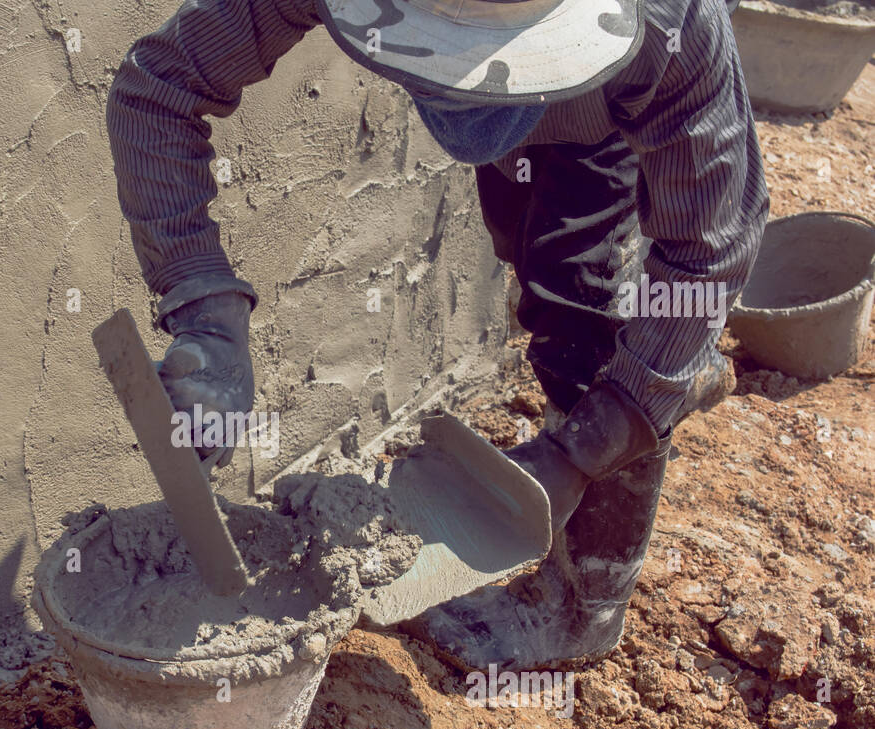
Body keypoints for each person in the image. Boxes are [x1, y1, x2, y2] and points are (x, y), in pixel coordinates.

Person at [105, 0, 769, 668]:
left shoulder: (669, 24)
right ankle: (672, 366)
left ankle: (582, 607)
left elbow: (707, 252)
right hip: (543, 119)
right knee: (533, 251)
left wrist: (589, 446)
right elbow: (159, 87)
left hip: (609, 96)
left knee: (580, 305)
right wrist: (206, 308)